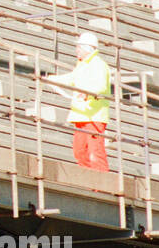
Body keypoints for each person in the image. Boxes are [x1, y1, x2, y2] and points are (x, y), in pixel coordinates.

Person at [45, 32, 112, 172]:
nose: (77, 51)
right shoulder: (83, 65)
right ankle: (90, 183)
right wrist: (51, 79)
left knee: (95, 153)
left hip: (94, 116)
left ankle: (101, 185)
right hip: (81, 115)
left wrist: (88, 93)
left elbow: (101, 86)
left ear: (87, 48)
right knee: (79, 152)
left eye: (79, 48)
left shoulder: (98, 64)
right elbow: (71, 78)